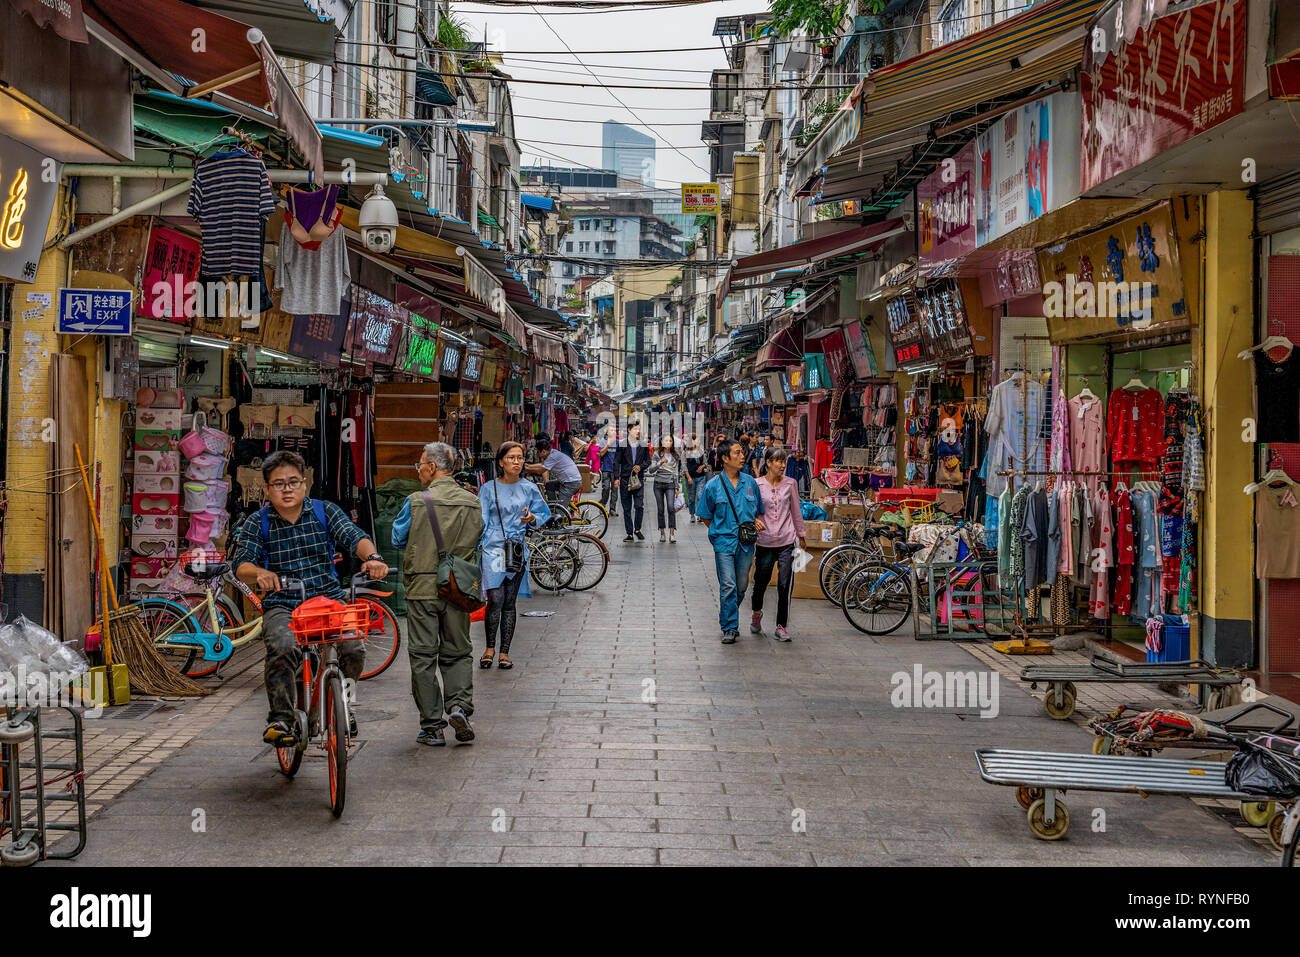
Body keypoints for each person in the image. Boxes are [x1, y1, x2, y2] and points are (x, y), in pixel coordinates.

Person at [230, 450, 389, 746]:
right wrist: (260, 574)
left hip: (327, 599)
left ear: (305, 484)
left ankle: (345, 706)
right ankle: (282, 718)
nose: (287, 489)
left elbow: (355, 537)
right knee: (282, 647)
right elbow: (241, 566)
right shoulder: (257, 523)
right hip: (283, 604)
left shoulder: (324, 511)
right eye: (279, 484)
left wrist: (374, 558)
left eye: (293, 482)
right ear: (267, 489)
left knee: (354, 649)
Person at [391, 442, 484, 746]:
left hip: (421, 588)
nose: (418, 471)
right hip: (458, 588)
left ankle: (432, 726)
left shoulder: (417, 501)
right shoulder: (472, 502)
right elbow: (481, 535)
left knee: (422, 656)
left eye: (419, 465)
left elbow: (396, 537)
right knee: (458, 651)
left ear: (432, 467)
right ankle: (459, 707)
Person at [479, 442, 552, 670]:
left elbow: (543, 514)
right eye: (511, 457)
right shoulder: (488, 489)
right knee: (495, 599)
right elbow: (480, 519)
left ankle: (504, 652)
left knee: (509, 602)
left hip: (517, 548)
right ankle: (489, 648)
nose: (517, 462)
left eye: (519, 457)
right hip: (493, 549)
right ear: (501, 461)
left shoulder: (529, 488)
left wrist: (531, 518)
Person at [695, 439, 766, 644]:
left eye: (742, 452)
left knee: (741, 585)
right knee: (728, 585)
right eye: (737, 453)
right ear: (725, 459)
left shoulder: (750, 483)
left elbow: (757, 511)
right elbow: (706, 515)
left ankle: (727, 614)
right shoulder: (712, 486)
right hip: (723, 543)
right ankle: (730, 627)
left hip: (745, 543)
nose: (742, 456)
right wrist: (720, 531)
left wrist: (754, 521)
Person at [751, 447, 807, 642]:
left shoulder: (790, 484)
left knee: (785, 584)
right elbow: (750, 509)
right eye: (778, 461)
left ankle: (781, 626)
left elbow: (796, 511)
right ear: (768, 463)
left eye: (784, 461)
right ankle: (756, 612)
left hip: (786, 540)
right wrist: (753, 520)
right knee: (760, 582)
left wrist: (801, 535)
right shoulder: (756, 485)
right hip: (764, 541)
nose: (783, 465)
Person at [613, 423, 651, 542]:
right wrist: (616, 478)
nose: (638, 431)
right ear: (629, 430)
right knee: (626, 508)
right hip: (625, 479)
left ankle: (637, 529)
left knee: (639, 506)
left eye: (639, 429)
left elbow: (648, 461)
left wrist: (641, 466)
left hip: (638, 480)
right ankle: (629, 533)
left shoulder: (643, 445)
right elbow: (616, 461)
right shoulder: (622, 444)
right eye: (635, 429)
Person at [525, 433, 581, 505]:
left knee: (560, 510)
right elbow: (542, 465)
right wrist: (528, 466)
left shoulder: (552, 456)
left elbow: (541, 470)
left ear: (543, 451)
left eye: (538, 452)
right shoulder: (552, 453)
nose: (538, 454)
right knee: (549, 485)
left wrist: (526, 469)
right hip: (569, 480)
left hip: (571, 483)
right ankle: (553, 505)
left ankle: (559, 510)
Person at [648, 433, 682, 543]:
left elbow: (676, 472)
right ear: (662, 442)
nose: (668, 442)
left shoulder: (675, 455)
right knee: (660, 509)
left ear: (672, 443)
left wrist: (677, 487)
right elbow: (651, 470)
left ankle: (672, 534)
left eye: (670, 441)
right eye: (666, 440)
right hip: (658, 484)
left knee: (671, 508)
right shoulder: (657, 454)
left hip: (670, 484)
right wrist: (660, 462)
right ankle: (662, 533)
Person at [683, 432, 706, 522]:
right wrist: (688, 477)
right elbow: (684, 466)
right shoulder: (685, 452)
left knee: (700, 496)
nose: (698, 441)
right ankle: (692, 514)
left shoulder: (701, 451)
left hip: (701, 477)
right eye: (696, 439)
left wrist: (702, 466)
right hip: (690, 478)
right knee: (691, 498)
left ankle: (699, 514)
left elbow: (705, 462)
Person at [597, 425, 619, 518]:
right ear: (607, 433)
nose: (614, 432)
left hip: (616, 470)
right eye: (612, 430)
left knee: (615, 490)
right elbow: (600, 454)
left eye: (615, 431)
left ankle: (612, 509)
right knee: (606, 488)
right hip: (606, 469)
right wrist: (608, 445)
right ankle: (602, 505)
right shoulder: (603, 441)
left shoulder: (618, 443)